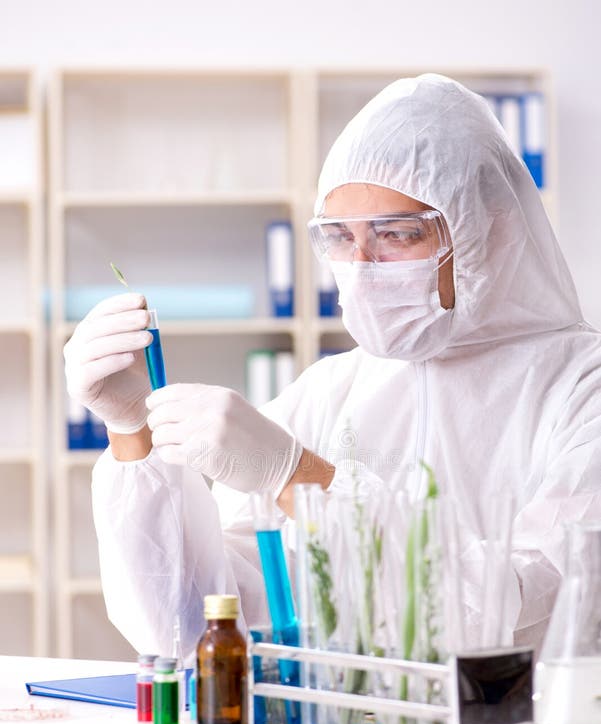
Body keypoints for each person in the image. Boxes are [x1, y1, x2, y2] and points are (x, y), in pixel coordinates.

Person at [64, 73, 601, 662]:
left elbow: (536, 612)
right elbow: (187, 625)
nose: (363, 264)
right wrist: (130, 433)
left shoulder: (580, 387)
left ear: (490, 230)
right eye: (341, 237)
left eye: (396, 234)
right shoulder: (331, 390)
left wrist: (304, 481)